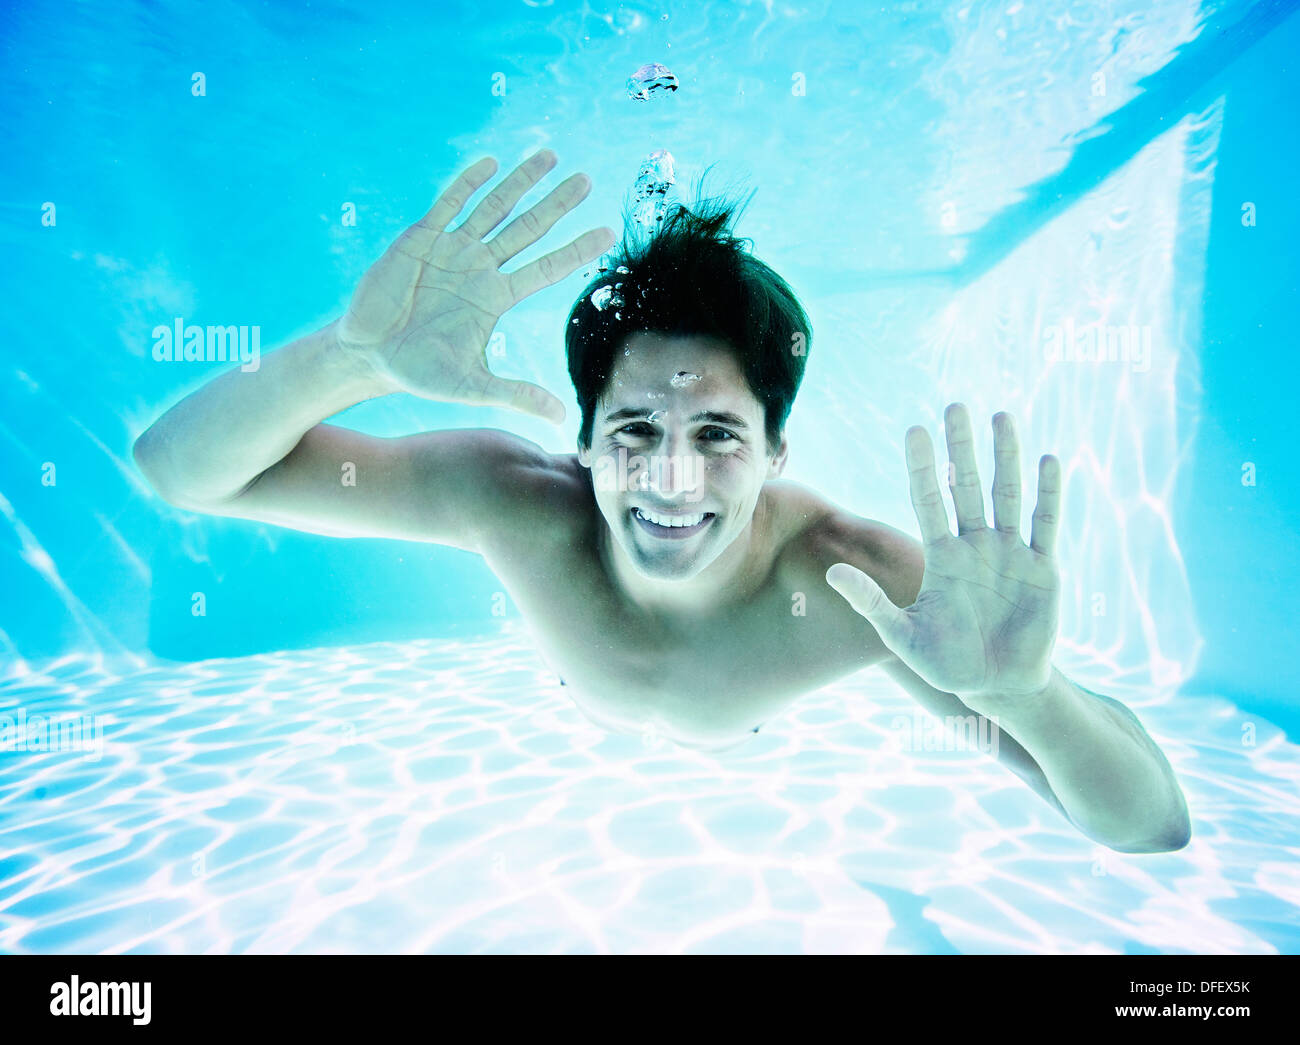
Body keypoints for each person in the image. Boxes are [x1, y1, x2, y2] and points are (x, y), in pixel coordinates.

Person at [134, 149, 1191, 853]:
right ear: (582, 439)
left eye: (718, 435)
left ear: (777, 450)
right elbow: (175, 469)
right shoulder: (515, 503)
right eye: (633, 431)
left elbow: (1150, 826)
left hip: (748, 744)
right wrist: (347, 357)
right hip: (578, 691)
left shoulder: (855, 584)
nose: (671, 480)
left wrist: (1027, 700)